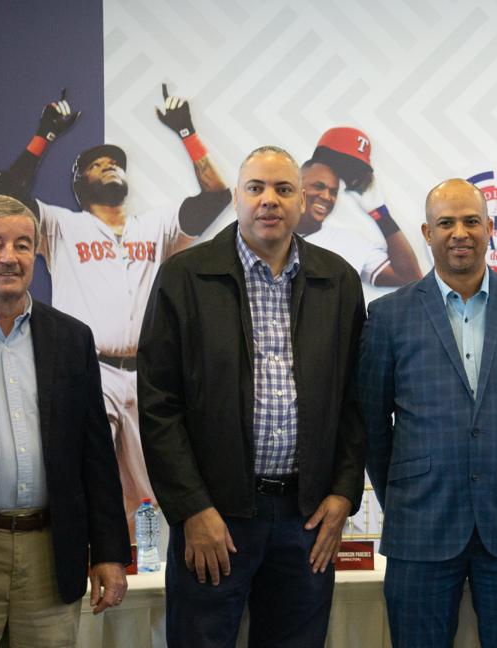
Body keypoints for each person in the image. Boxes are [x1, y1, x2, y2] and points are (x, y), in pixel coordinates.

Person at [138, 146, 366, 647]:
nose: (270, 200)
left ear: (303, 202)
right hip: (215, 518)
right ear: (237, 198)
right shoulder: (185, 276)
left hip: (306, 518)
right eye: (256, 188)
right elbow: (159, 407)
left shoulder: (339, 281)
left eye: (284, 189)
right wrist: (192, 508)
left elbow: (355, 402)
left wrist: (343, 494)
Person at [0, 86, 231, 526]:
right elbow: (2, 193)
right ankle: (89, 563)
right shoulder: (61, 225)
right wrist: (44, 135)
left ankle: (148, 577)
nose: (111, 165)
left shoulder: (155, 224)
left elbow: (216, 197)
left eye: (115, 161)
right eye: (100, 164)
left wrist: (187, 132)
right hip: (90, 369)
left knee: (151, 489)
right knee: (87, 474)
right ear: (81, 183)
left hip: (148, 373)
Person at [358, 178, 497, 647]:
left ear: (490, 228)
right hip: (420, 520)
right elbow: (371, 422)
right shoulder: (389, 316)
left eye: (471, 221)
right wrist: (404, 486)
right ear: (426, 232)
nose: (460, 232)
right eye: (446, 223)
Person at [0, 195, 130, 644]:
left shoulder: (71, 338)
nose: (10, 257)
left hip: (51, 555)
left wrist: (108, 553)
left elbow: (96, 456)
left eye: (23, 245)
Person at [308, 126, 420, 287]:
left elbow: (409, 278)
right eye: (318, 185)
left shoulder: (347, 242)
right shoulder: (269, 221)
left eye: (344, 172)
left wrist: (380, 213)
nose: (326, 196)